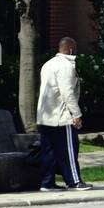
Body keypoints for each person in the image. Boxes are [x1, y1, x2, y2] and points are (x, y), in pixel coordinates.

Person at [36, 37, 91, 191]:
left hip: (45, 116)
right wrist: (76, 114)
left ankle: (47, 183)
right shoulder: (66, 66)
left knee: (49, 152)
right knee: (69, 149)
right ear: (71, 49)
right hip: (61, 116)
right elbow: (67, 92)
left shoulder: (48, 64)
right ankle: (74, 181)